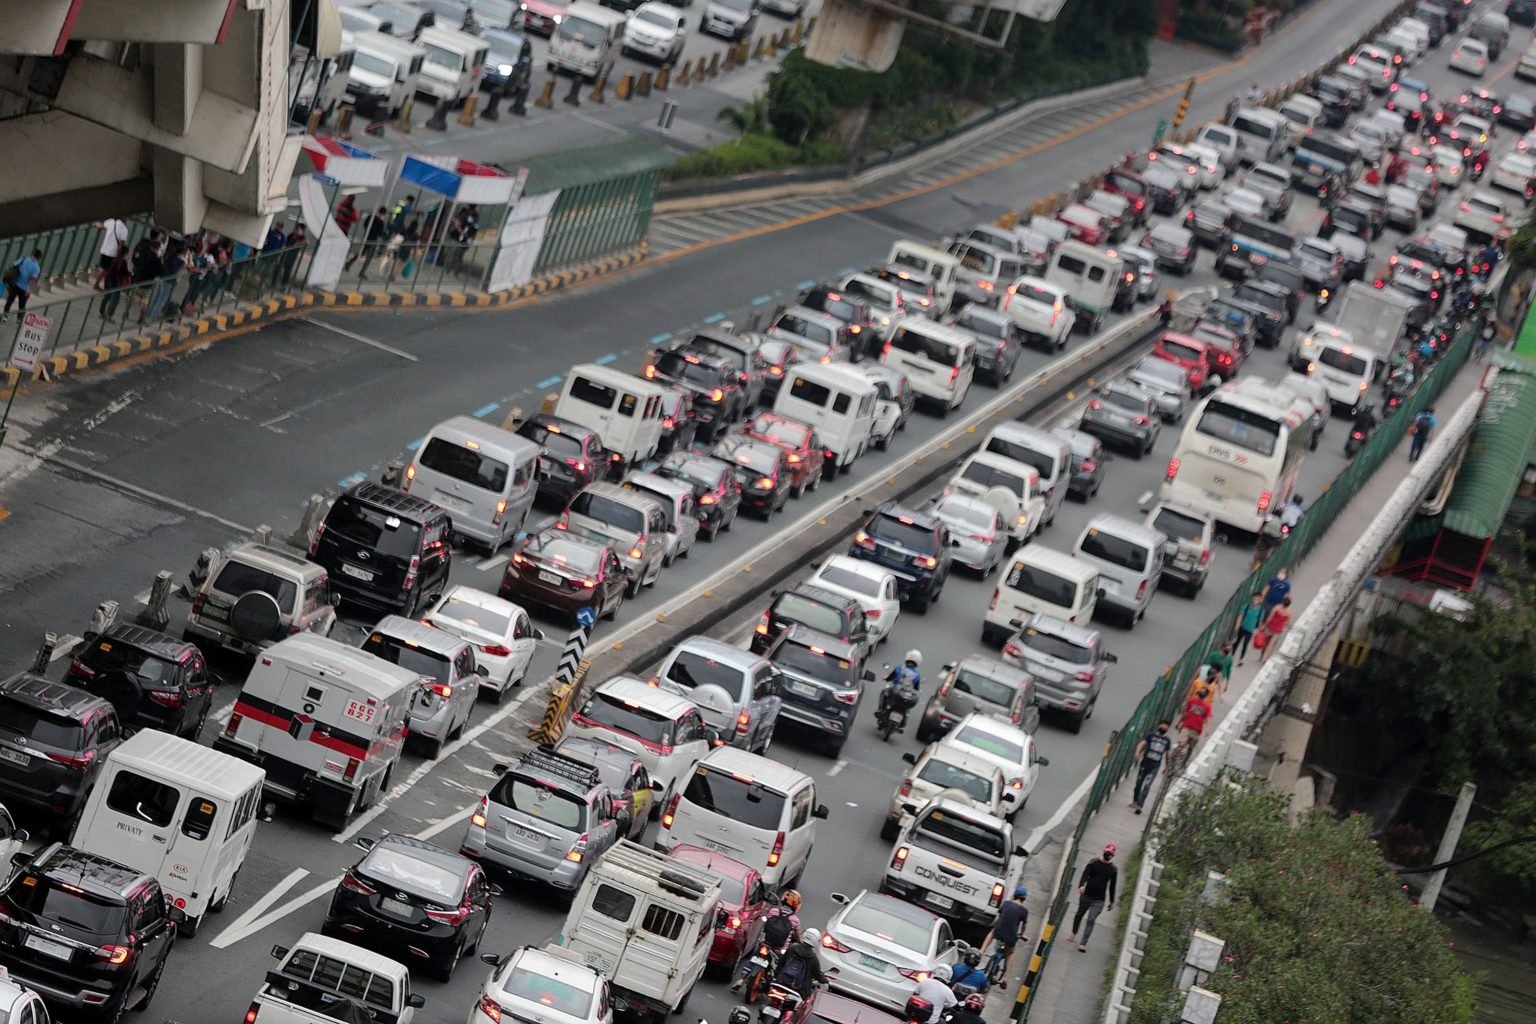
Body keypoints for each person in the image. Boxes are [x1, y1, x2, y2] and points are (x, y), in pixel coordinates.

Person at [1069, 845, 1118, 952]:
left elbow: (1112, 886)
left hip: (1099, 900)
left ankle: (1083, 944)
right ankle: (1074, 932)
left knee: (1091, 920)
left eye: (1111, 854)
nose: (1108, 855)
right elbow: (1085, 875)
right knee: (1079, 915)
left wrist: (1112, 901)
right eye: (1107, 852)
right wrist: (1081, 885)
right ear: (1104, 851)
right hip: (1086, 895)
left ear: (1113, 856)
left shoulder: (1113, 870)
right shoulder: (1093, 862)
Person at [980, 888, 1029, 978]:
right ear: (1024, 898)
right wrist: (1022, 935)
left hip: (999, 930)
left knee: (992, 933)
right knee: (1010, 953)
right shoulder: (1024, 911)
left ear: (1015, 895)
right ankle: (1006, 977)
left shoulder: (1006, 903)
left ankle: (982, 950)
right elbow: (1024, 925)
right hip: (1011, 936)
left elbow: (1000, 916)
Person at [772, 927, 827, 999]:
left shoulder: (793, 947)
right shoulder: (813, 958)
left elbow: (782, 962)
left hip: (782, 981)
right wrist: (825, 980)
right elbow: (818, 974)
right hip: (799, 990)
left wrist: (776, 976)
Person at [1131, 721, 1173, 813]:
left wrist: (1167, 765)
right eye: (1162, 727)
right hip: (1145, 763)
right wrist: (1137, 752)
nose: (1163, 729)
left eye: (1166, 728)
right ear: (1158, 726)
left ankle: (1139, 804)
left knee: (1147, 785)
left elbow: (1167, 754)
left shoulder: (1167, 740)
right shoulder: (1151, 736)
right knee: (1139, 783)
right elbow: (1141, 744)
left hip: (1155, 766)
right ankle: (1135, 801)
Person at [1, 248, 42, 321]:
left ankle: (5, 316)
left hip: (15, 284)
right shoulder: (37, 268)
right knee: (22, 305)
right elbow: (32, 279)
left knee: (9, 300)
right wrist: (29, 290)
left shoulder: (25, 259)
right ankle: (19, 319)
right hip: (25, 289)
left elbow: (12, 265)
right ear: (39, 258)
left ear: (32, 254)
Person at [92, 216, 129, 291]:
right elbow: (121, 245)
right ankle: (99, 285)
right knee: (107, 270)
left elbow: (101, 226)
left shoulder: (111, 221)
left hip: (104, 249)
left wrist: (96, 224)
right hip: (113, 253)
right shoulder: (124, 229)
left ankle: (102, 285)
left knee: (105, 269)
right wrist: (119, 257)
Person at [1177, 685, 1214, 750]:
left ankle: (1186, 757)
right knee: (1181, 742)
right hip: (1187, 726)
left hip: (1196, 729)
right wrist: (1180, 723)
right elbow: (1186, 712)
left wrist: (1207, 729)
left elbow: (1208, 717)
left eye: (1203, 693)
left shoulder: (1207, 706)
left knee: (1191, 746)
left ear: (1206, 695)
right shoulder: (1192, 701)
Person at [1258, 596, 1292, 665]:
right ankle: (1266, 659)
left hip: (1270, 627)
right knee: (1272, 645)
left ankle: (1262, 655)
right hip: (1278, 630)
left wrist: (1264, 626)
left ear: (1283, 602)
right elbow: (1288, 623)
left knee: (1266, 642)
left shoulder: (1277, 608)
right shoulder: (1288, 612)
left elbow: (1269, 618)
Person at [1234, 593, 1264, 665]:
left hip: (1250, 630)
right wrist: (1237, 625)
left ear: (1260, 600)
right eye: (1254, 599)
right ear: (1252, 599)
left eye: (1257, 599)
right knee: (1237, 641)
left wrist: (1260, 631)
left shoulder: (1260, 611)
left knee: (1245, 644)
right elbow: (1240, 616)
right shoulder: (1246, 607)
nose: (1255, 600)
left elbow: (1260, 621)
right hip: (1242, 627)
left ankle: (1241, 659)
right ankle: (1232, 654)